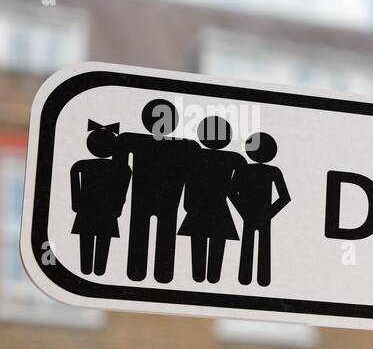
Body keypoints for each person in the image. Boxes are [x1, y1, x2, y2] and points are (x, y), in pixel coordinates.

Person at [120, 99, 194, 283]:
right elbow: (119, 168)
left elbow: (194, 171)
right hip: (149, 197)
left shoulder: (183, 145)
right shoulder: (183, 145)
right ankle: (141, 273)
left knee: (161, 234)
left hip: (162, 198)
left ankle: (159, 274)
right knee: (142, 232)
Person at [178, 116, 243, 283]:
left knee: (201, 240)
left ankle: (202, 277)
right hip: (216, 207)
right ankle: (209, 278)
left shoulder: (195, 156)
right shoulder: (232, 158)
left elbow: (189, 181)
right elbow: (238, 182)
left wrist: (188, 203)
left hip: (201, 207)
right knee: (213, 241)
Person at [69, 120, 132, 276]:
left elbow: (122, 189)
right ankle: (96, 271)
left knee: (89, 240)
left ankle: (92, 270)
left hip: (91, 210)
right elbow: (122, 191)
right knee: (98, 240)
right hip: (104, 211)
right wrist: (117, 208)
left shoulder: (82, 165)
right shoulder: (121, 168)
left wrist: (76, 204)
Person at [230, 132, 290, 287]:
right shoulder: (266, 171)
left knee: (258, 245)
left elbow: (284, 197)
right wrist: (264, 213)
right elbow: (231, 192)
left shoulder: (266, 171)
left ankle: (260, 280)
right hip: (257, 214)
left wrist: (266, 213)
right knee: (251, 244)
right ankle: (248, 279)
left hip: (257, 214)